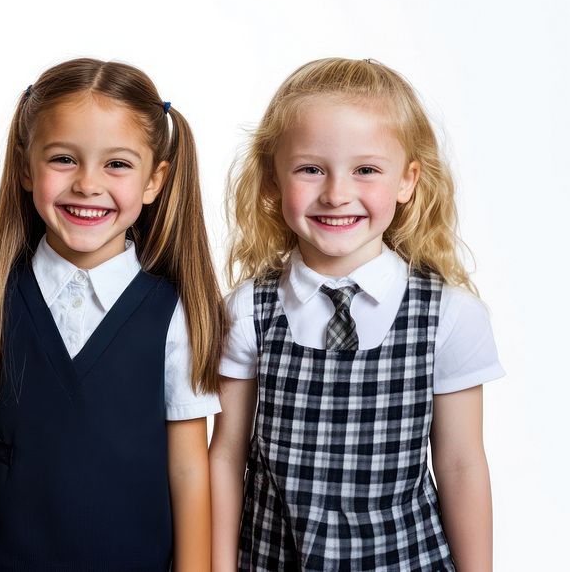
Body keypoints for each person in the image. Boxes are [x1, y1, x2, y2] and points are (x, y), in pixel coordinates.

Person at [210, 58, 504, 571]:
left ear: (408, 181)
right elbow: (227, 457)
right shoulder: (248, 311)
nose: (336, 193)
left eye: (365, 170)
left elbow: (460, 465)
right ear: (273, 180)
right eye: (310, 169)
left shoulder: (449, 315)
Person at [0, 58, 227, 570]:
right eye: (63, 158)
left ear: (154, 181)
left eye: (117, 164)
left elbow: (189, 472)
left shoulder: (172, 315)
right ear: (24, 166)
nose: (86, 184)